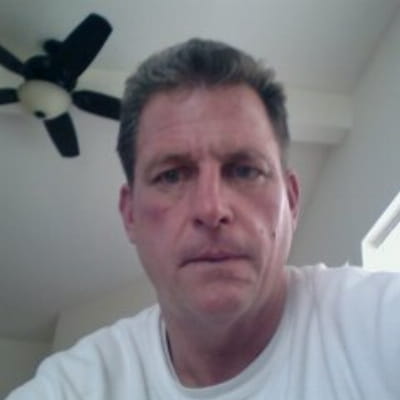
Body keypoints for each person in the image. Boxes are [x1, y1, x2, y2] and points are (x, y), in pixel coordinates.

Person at [7, 38, 400, 399]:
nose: (211, 209)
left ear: (292, 201)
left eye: (245, 170)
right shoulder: (76, 385)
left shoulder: (377, 322)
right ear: (130, 215)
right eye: (171, 176)